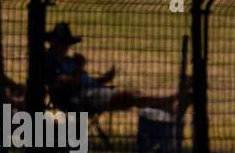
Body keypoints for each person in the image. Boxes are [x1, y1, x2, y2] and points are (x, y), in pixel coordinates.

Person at [42, 22, 175, 114]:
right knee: (129, 97)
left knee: (134, 94)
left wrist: (105, 79)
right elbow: (66, 83)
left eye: (67, 44)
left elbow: (85, 80)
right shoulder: (50, 61)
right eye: (62, 43)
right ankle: (165, 103)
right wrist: (80, 66)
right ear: (52, 42)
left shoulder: (69, 60)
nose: (65, 47)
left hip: (93, 92)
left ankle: (165, 105)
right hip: (79, 98)